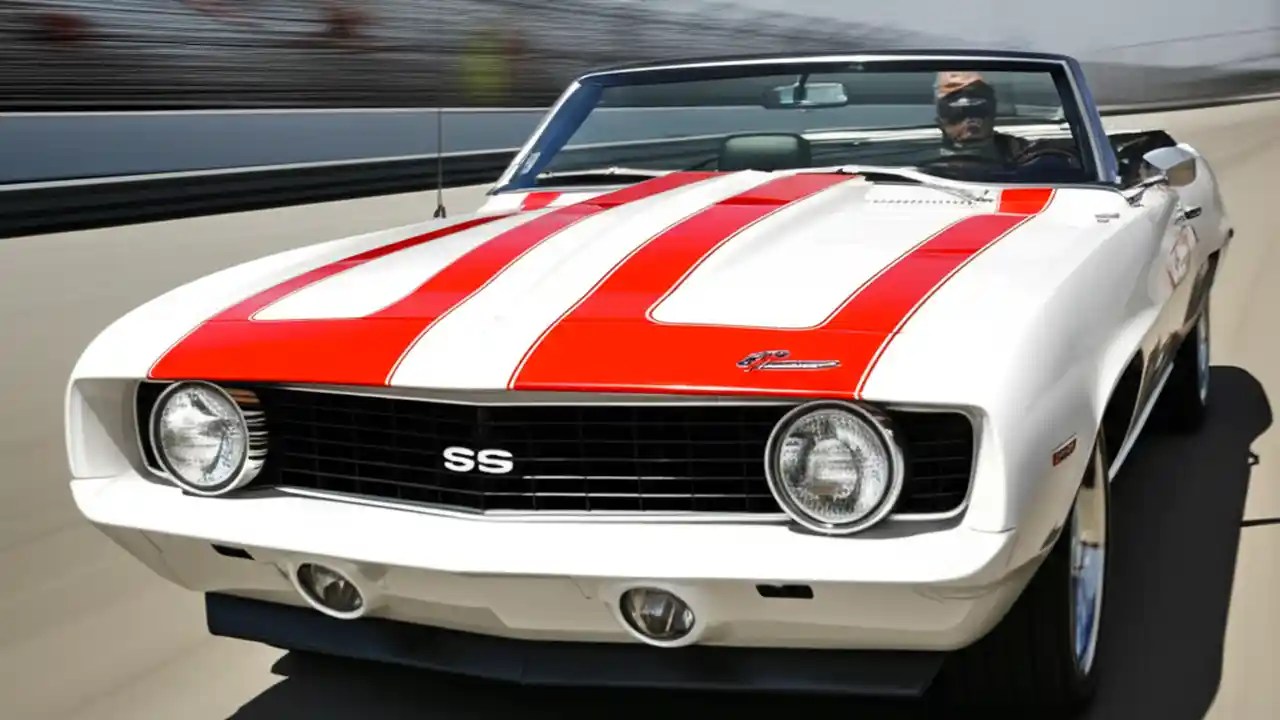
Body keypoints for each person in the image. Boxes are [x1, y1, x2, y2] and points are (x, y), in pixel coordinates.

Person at [932, 70, 1029, 165]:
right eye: (957, 112)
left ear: (992, 114)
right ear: (940, 122)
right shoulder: (926, 164)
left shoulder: (1022, 152)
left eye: (978, 110)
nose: (970, 120)